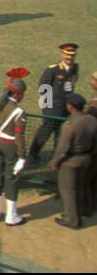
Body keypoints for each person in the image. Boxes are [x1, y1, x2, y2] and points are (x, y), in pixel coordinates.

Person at [0, 67, 30, 226]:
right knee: (11, 179)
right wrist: (22, 157)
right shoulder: (19, 111)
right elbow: (19, 137)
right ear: (17, 94)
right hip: (10, 146)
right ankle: (11, 214)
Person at [49, 94, 96, 228]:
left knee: (67, 191)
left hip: (70, 161)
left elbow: (63, 147)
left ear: (70, 107)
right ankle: (79, 212)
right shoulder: (92, 120)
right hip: (87, 159)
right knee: (81, 186)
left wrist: (55, 161)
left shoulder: (69, 125)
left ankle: (72, 219)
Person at [29, 43, 80, 163]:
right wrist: (47, 108)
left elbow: (71, 85)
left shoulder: (75, 68)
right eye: (67, 55)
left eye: (72, 55)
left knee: (60, 133)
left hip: (66, 108)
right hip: (52, 107)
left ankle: (56, 156)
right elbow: (43, 87)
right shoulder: (53, 69)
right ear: (62, 54)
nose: (70, 58)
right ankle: (33, 154)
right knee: (45, 131)